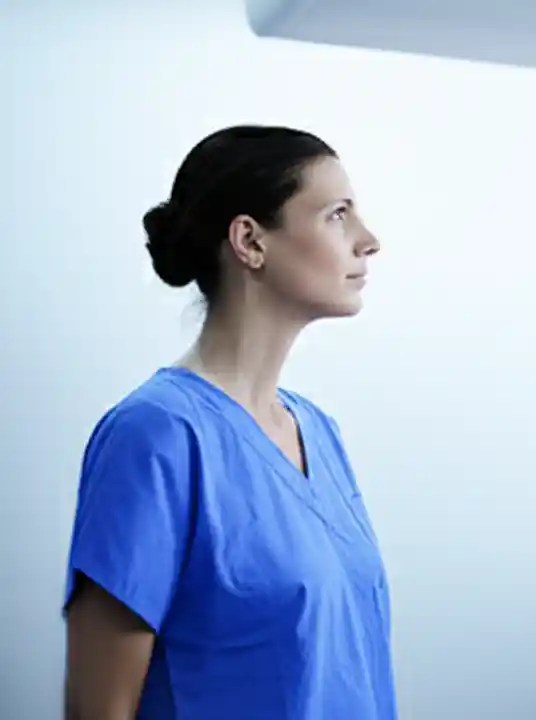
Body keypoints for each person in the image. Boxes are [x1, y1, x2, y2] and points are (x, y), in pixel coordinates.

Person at [62, 125, 394, 719]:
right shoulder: (156, 436)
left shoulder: (317, 430)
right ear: (250, 241)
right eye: (338, 215)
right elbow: (98, 710)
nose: (368, 241)